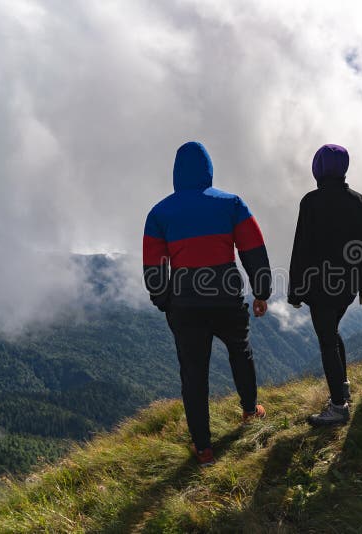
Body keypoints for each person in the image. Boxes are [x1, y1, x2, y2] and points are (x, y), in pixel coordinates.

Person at [143, 141, 272, 466]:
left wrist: (165, 301)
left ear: (176, 173)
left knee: (194, 373)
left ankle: (203, 448)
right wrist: (261, 291)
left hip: (185, 304)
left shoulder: (159, 213)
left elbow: (153, 266)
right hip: (227, 297)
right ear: (209, 170)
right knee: (240, 351)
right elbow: (253, 250)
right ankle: (250, 411)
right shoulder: (232, 204)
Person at [289, 144, 362, 425]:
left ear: (318, 168)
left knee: (327, 340)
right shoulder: (358, 201)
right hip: (347, 286)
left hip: (319, 286)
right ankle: (343, 387)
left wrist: (295, 290)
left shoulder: (310, 202)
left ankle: (339, 406)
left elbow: (301, 248)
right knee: (332, 331)